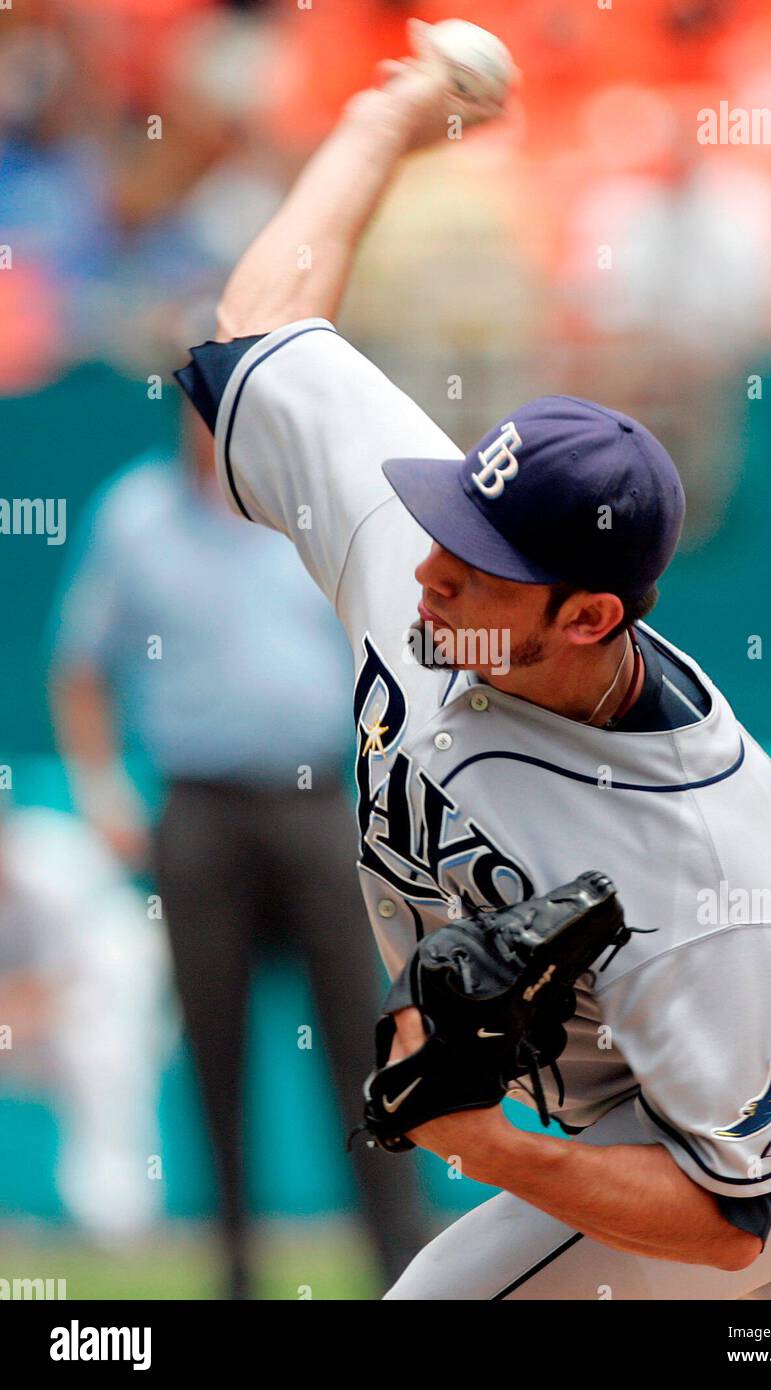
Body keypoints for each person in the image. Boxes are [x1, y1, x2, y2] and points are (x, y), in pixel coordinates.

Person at [174, 51, 771, 1299]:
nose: (429, 576)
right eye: (447, 529)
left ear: (588, 615)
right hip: (700, 1111)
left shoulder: (702, 863)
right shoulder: (429, 549)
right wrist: (383, 124)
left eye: (480, 568)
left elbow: (729, 1210)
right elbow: (260, 334)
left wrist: (488, 1147)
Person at [49, 404, 428, 1297]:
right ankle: (235, 1274)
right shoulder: (133, 515)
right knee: (215, 1051)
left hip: (318, 806)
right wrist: (102, 789)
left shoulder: (313, 515)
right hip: (198, 813)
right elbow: (78, 665)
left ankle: (404, 1266)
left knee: (365, 1042)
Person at [0, 804, 170, 1242]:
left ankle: (117, 1222)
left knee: (99, 1052)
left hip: (112, 998)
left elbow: (79, 977)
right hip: (30, 1017)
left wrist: (20, 1009)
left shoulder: (54, 858)